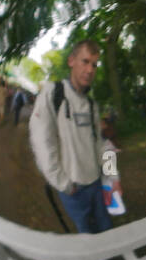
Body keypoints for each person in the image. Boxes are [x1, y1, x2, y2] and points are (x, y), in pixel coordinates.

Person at [28, 40, 111, 234]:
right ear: (71, 61)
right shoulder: (53, 93)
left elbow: (100, 144)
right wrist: (64, 184)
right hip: (73, 188)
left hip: (96, 183)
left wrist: (110, 176)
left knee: (106, 227)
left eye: (94, 64)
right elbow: (42, 143)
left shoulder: (91, 105)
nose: (90, 69)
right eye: (85, 61)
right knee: (86, 231)